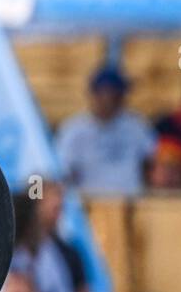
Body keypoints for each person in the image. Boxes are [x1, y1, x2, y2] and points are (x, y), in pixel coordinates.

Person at [54, 65, 156, 196]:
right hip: (88, 202)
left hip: (132, 202)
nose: (111, 100)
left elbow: (152, 161)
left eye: (117, 94)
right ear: (95, 95)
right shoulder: (74, 129)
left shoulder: (136, 126)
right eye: (107, 93)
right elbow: (64, 171)